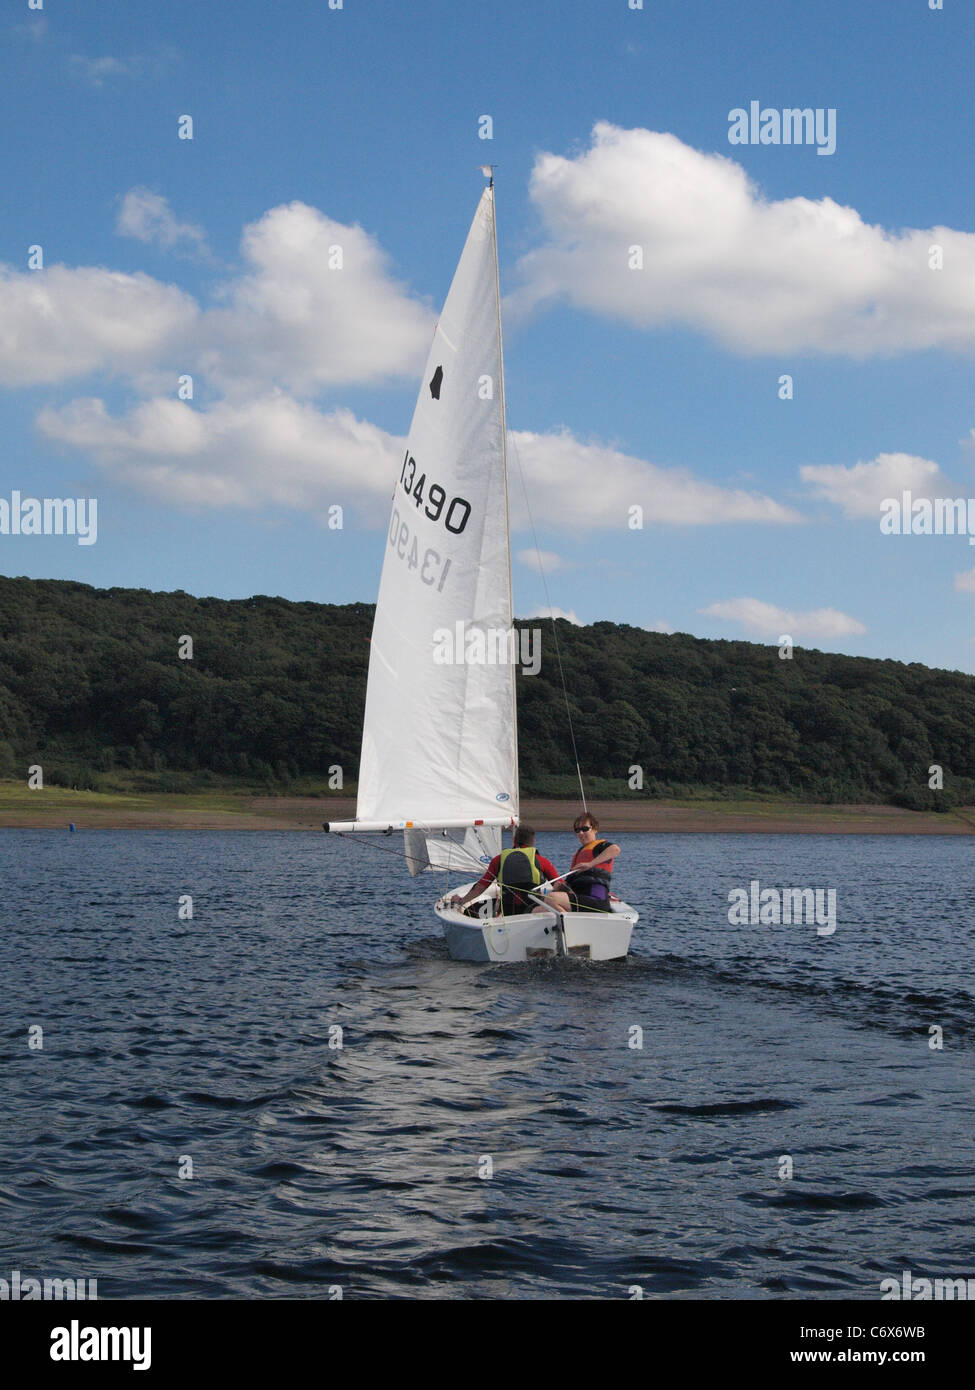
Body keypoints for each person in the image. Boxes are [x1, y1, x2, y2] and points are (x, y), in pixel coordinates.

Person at [448, 825, 565, 917]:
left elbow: (480, 887)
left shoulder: (498, 860)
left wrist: (461, 901)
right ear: (532, 841)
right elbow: (560, 885)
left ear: (514, 839)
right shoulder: (541, 861)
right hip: (533, 912)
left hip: (509, 913)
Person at [541, 813, 621, 914]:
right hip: (580, 899)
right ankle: (562, 925)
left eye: (585, 829)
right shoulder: (578, 855)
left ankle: (567, 925)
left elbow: (615, 849)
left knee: (552, 898)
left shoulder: (600, 847)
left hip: (596, 901)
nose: (581, 833)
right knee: (538, 909)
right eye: (577, 830)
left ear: (595, 829)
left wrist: (590, 864)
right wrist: (560, 886)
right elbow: (570, 884)